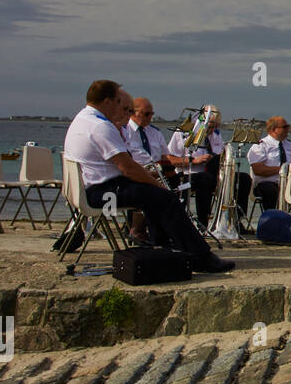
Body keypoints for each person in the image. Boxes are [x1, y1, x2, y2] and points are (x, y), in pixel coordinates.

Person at [63, 80, 233, 272]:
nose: (122, 109)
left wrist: (148, 179)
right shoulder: (100, 126)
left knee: (154, 196)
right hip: (102, 191)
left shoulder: (83, 119)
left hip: (93, 188)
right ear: (108, 101)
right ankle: (201, 258)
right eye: (120, 103)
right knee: (165, 197)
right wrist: (155, 183)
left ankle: (165, 247)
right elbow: (128, 168)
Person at [165, 106, 222, 224]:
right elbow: (170, 159)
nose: (212, 130)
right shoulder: (182, 133)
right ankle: (202, 222)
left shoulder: (215, 134)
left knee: (241, 179)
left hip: (209, 175)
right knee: (205, 179)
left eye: (215, 126)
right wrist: (193, 161)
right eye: (209, 127)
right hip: (187, 174)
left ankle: (232, 221)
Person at [124, 97, 169, 242]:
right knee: (151, 188)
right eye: (146, 114)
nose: (150, 117)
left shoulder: (155, 132)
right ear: (133, 113)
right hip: (135, 173)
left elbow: (166, 157)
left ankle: (164, 230)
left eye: (151, 114)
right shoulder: (124, 131)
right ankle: (139, 230)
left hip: (156, 170)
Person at [246, 116, 291, 215]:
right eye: (284, 127)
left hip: (290, 184)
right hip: (268, 184)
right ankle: (272, 221)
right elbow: (258, 170)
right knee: (270, 190)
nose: (288, 129)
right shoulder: (260, 146)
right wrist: (283, 170)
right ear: (274, 129)